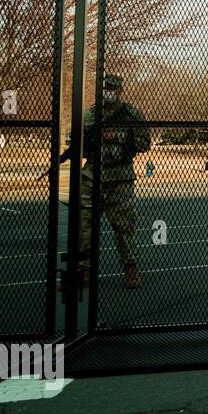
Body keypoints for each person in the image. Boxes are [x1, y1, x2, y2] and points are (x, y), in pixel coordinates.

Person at [57, 74, 151, 291]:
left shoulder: (131, 115)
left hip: (120, 178)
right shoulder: (90, 115)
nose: (109, 91)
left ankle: (131, 268)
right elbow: (76, 143)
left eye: (113, 88)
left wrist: (118, 138)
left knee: (124, 227)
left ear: (120, 91)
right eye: (106, 88)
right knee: (83, 226)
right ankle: (83, 272)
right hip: (92, 176)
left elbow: (144, 143)